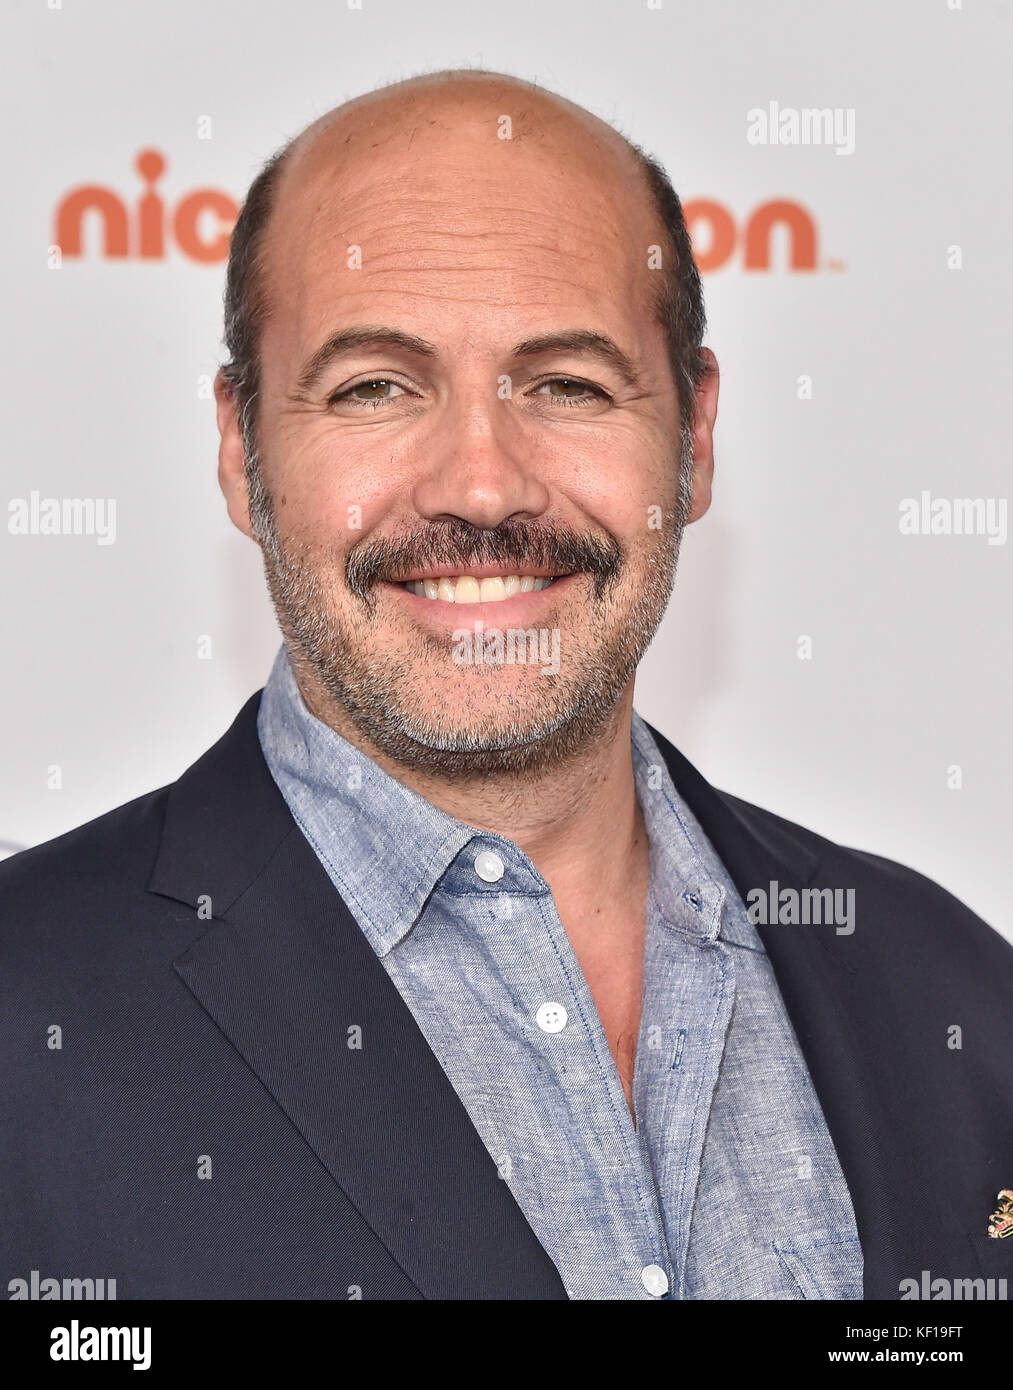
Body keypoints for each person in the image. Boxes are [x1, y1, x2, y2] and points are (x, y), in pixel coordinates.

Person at [2, 68, 1010, 1303]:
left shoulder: (946, 988)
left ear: (691, 441)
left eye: (566, 384)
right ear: (239, 448)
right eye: (376, 385)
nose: (481, 487)